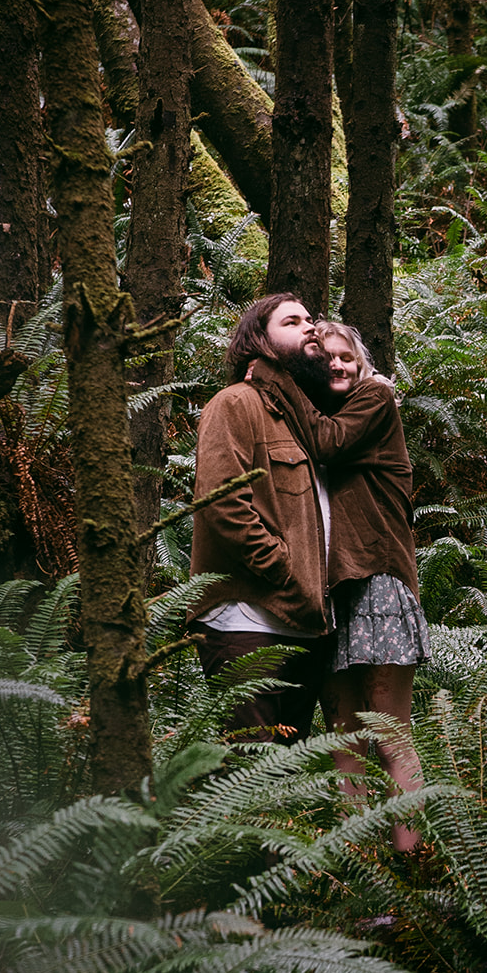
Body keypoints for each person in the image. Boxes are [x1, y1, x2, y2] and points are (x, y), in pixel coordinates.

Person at [187, 295, 396, 743]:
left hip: (305, 631)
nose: (310, 328)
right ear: (260, 342)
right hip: (246, 624)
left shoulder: (308, 420)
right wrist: (281, 567)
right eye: (292, 321)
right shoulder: (236, 404)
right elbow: (221, 501)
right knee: (247, 775)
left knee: (284, 785)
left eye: (310, 320)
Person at [315, 320, 431, 851]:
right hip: (331, 595)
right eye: (324, 360)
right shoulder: (320, 413)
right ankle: (361, 874)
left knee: (388, 732)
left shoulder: (375, 398)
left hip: (378, 582)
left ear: (361, 364)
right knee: (345, 740)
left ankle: (413, 864)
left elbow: (329, 442)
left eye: (345, 357)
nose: (335, 365)